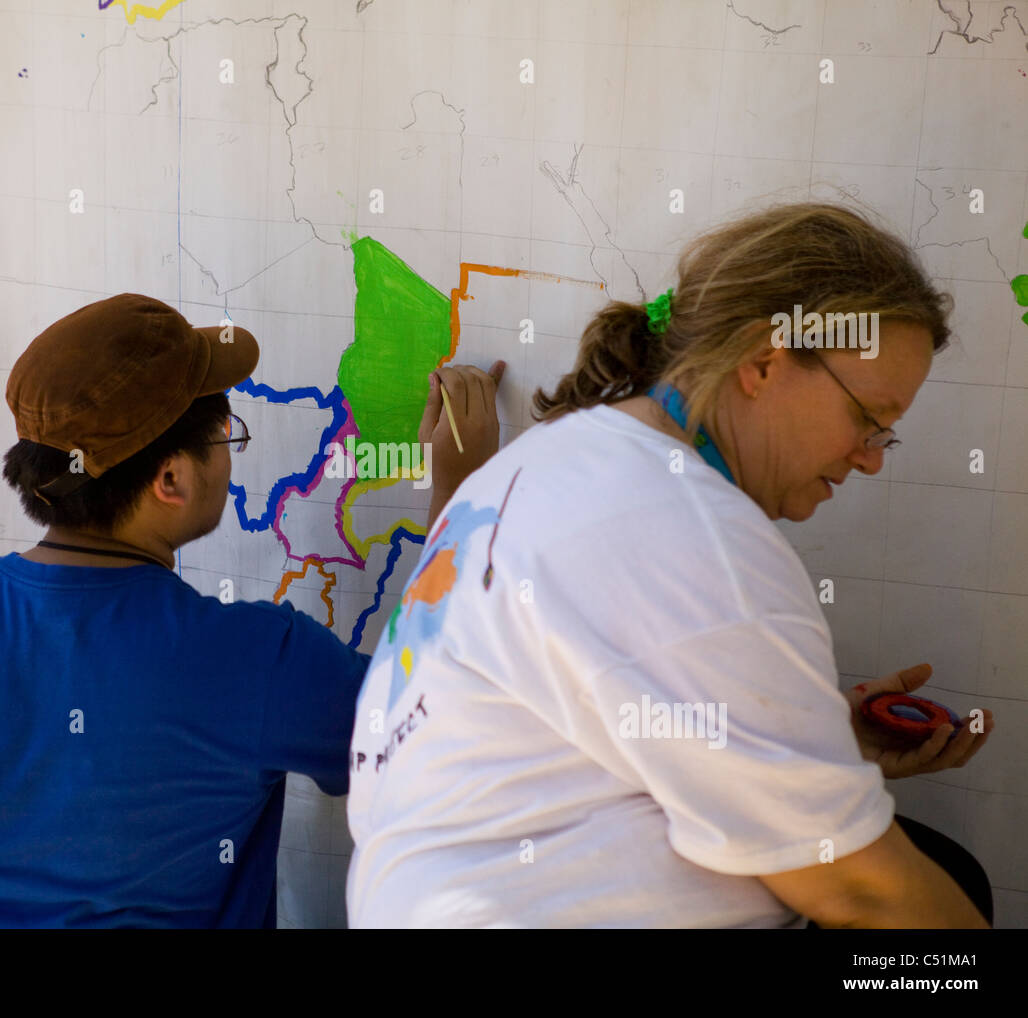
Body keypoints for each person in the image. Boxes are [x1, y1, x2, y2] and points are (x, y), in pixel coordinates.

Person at [346, 202, 996, 929]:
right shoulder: (693, 534)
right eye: (867, 419)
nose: (872, 458)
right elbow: (864, 895)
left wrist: (813, 739)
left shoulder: (558, 457)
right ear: (763, 362)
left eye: (888, 436)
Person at [0, 293, 504, 927]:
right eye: (225, 435)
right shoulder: (256, 659)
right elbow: (433, 727)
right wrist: (460, 490)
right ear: (170, 479)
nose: (230, 454)